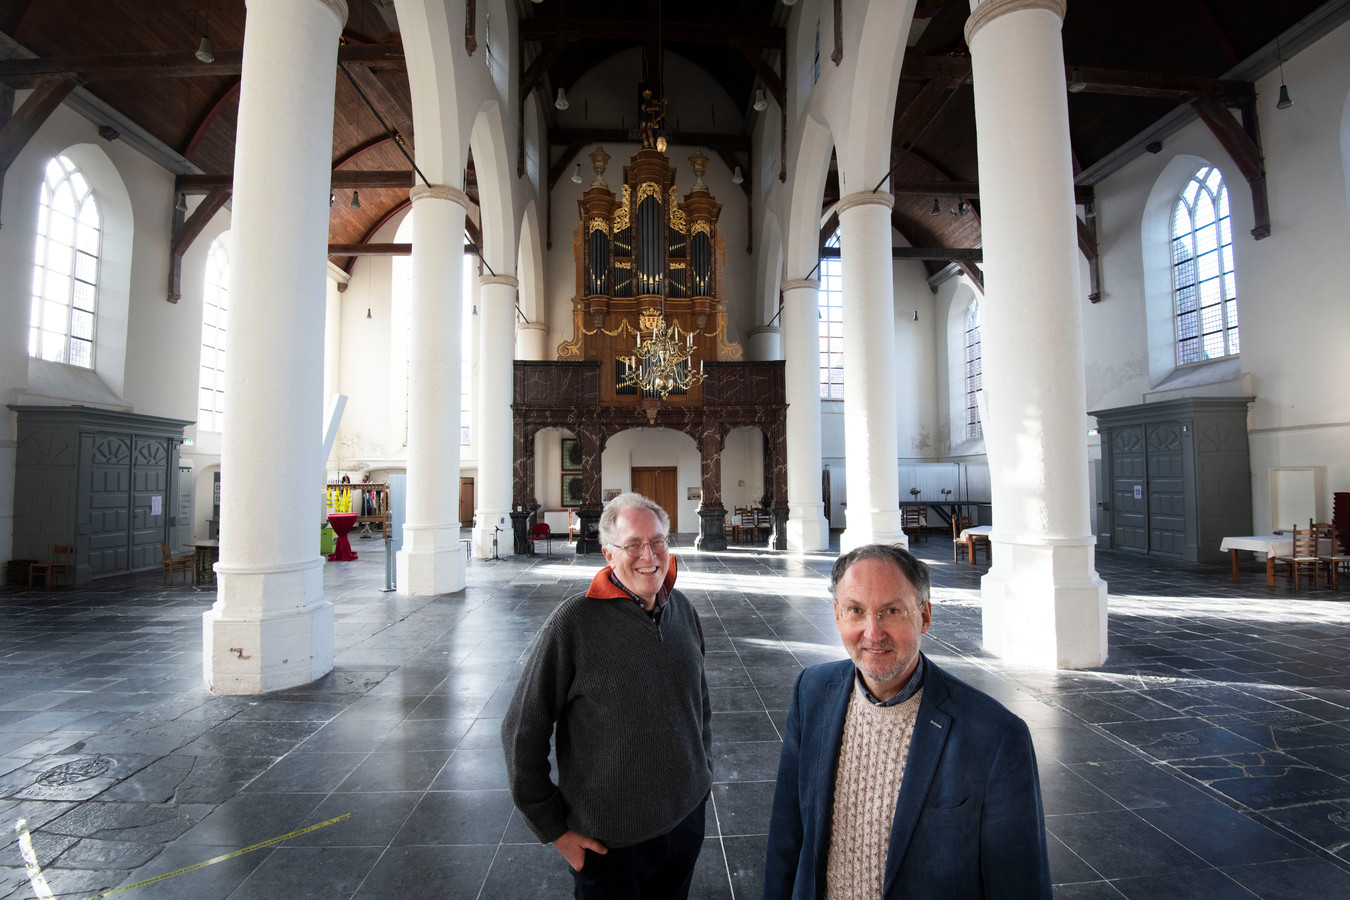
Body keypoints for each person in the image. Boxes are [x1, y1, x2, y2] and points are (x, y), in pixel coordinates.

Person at [763, 544, 1051, 900]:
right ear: (837, 616)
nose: (873, 633)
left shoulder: (995, 736)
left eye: (892, 611)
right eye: (856, 610)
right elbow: (787, 837)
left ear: (925, 616)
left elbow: (1019, 884)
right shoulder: (812, 692)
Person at [502, 492, 713, 900]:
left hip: (685, 822)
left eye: (658, 541)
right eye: (633, 544)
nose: (648, 555)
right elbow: (520, 731)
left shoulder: (682, 610)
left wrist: (701, 776)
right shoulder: (574, 623)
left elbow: (699, 703)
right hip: (610, 842)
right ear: (607, 555)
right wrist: (555, 830)